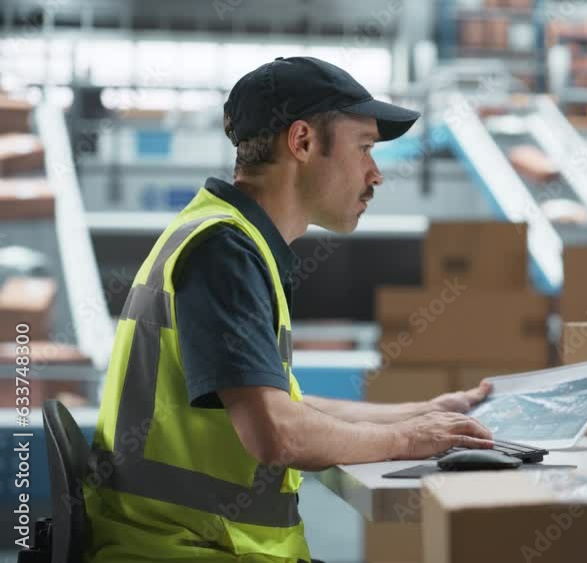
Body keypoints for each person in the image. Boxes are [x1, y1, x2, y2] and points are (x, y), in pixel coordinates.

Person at [85, 56, 495, 563]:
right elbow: (276, 433)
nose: (376, 174)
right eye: (364, 148)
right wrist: (408, 439)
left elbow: (287, 408)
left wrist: (426, 413)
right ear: (301, 141)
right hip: (185, 551)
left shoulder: (230, 237)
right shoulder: (224, 250)